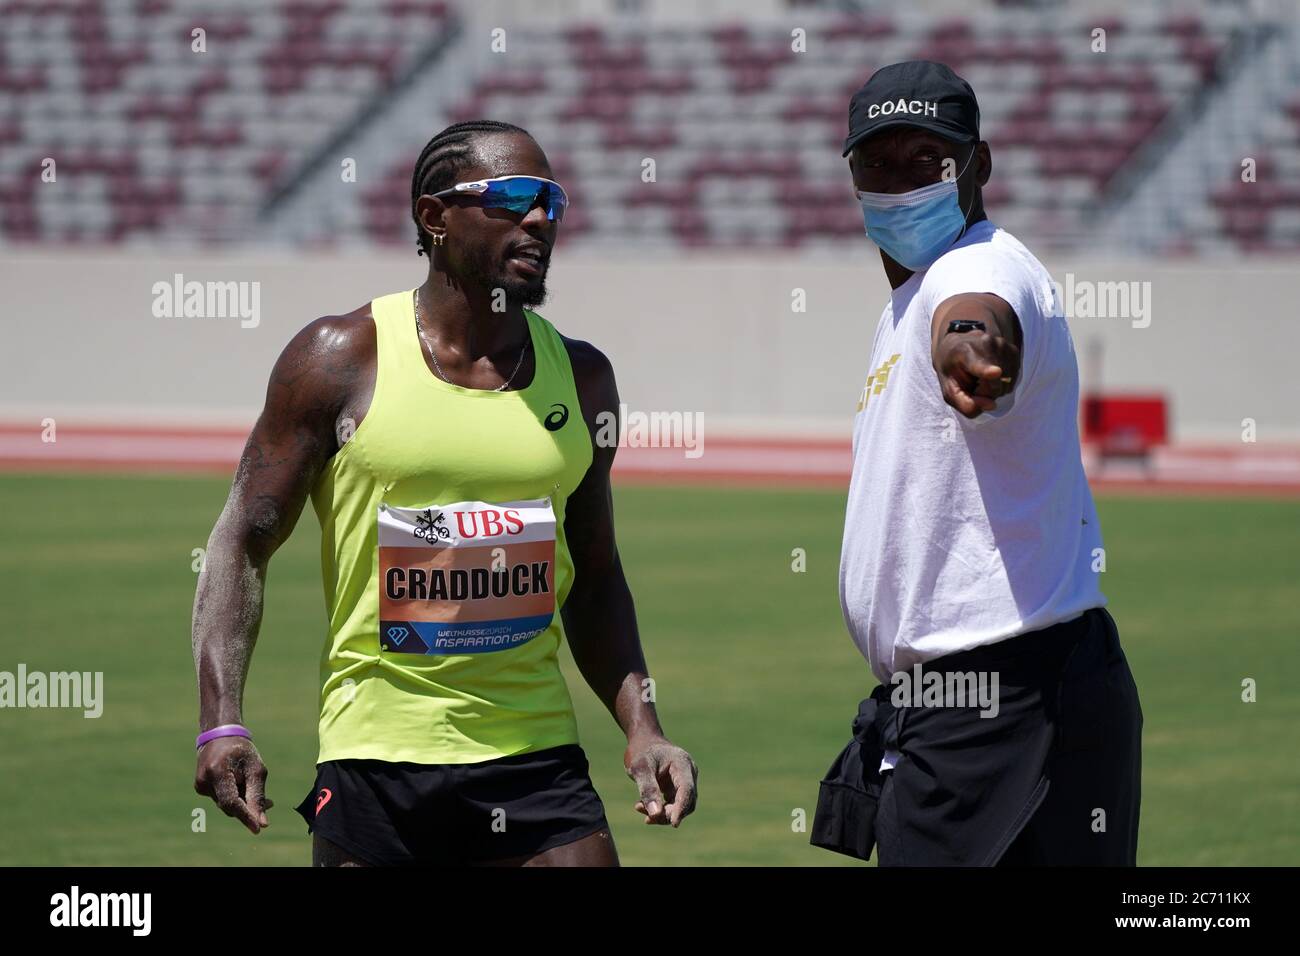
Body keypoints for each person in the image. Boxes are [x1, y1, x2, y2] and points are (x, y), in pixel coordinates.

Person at [192, 120, 697, 866]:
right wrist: (221, 722)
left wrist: (643, 725)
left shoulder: (584, 379)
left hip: (535, 753)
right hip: (374, 755)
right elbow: (243, 539)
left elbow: (592, 577)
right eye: (514, 198)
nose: (538, 218)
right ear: (434, 217)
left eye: (550, 201)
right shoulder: (338, 359)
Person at [811, 62, 1142, 866]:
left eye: (926, 159)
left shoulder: (976, 268)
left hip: (1006, 695)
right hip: (959, 701)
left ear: (977, 166)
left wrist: (974, 348)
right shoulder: (907, 298)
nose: (897, 183)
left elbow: (978, 318)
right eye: (876, 164)